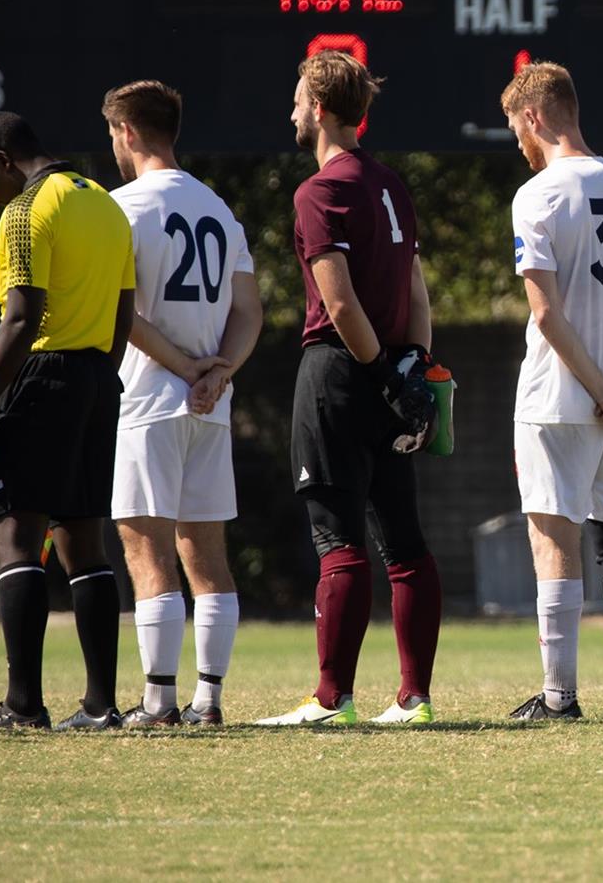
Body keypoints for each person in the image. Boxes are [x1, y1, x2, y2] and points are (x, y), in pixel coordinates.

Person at [258, 52, 442, 727]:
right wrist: (412, 368)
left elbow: (339, 303)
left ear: (324, 110)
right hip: (392, 369)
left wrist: (375, 371)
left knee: (338, 537)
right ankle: (414, 696)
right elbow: (416, 289)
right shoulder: (392, 184)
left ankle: (332, 696)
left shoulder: (319, 191)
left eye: (300, 100)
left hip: (342, 372)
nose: (292, 112)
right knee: (405, 539)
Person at [501, 62, 603, 722]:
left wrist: (600, 388)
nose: (517, 139)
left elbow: (545, 311)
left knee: (554, 538)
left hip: (557, 397)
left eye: (516, 126)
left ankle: (560, 694)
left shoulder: (536, 195)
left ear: (535, 117)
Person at [0, 110, 135, 729]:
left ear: (5, 160)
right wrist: (101, 379)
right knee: (85, 540)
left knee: (16, 534)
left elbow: (21, 315)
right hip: (96, 377)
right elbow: (123, 306)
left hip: (44, 375)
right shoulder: (105, 204)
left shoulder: (26, 212)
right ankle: (99, 705)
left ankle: (24, 705)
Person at [102, 81, 262, 727]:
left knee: (147, 547)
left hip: (149, 398)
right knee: (208, 551)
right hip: (209, 406)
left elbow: (124, 313)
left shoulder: (121, 208)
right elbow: (249, 310)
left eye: (114, 133)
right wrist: (220, 371)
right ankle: (210, 699)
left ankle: (159, 700)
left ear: (129, 132)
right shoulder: (218, 208)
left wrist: (186, 367)